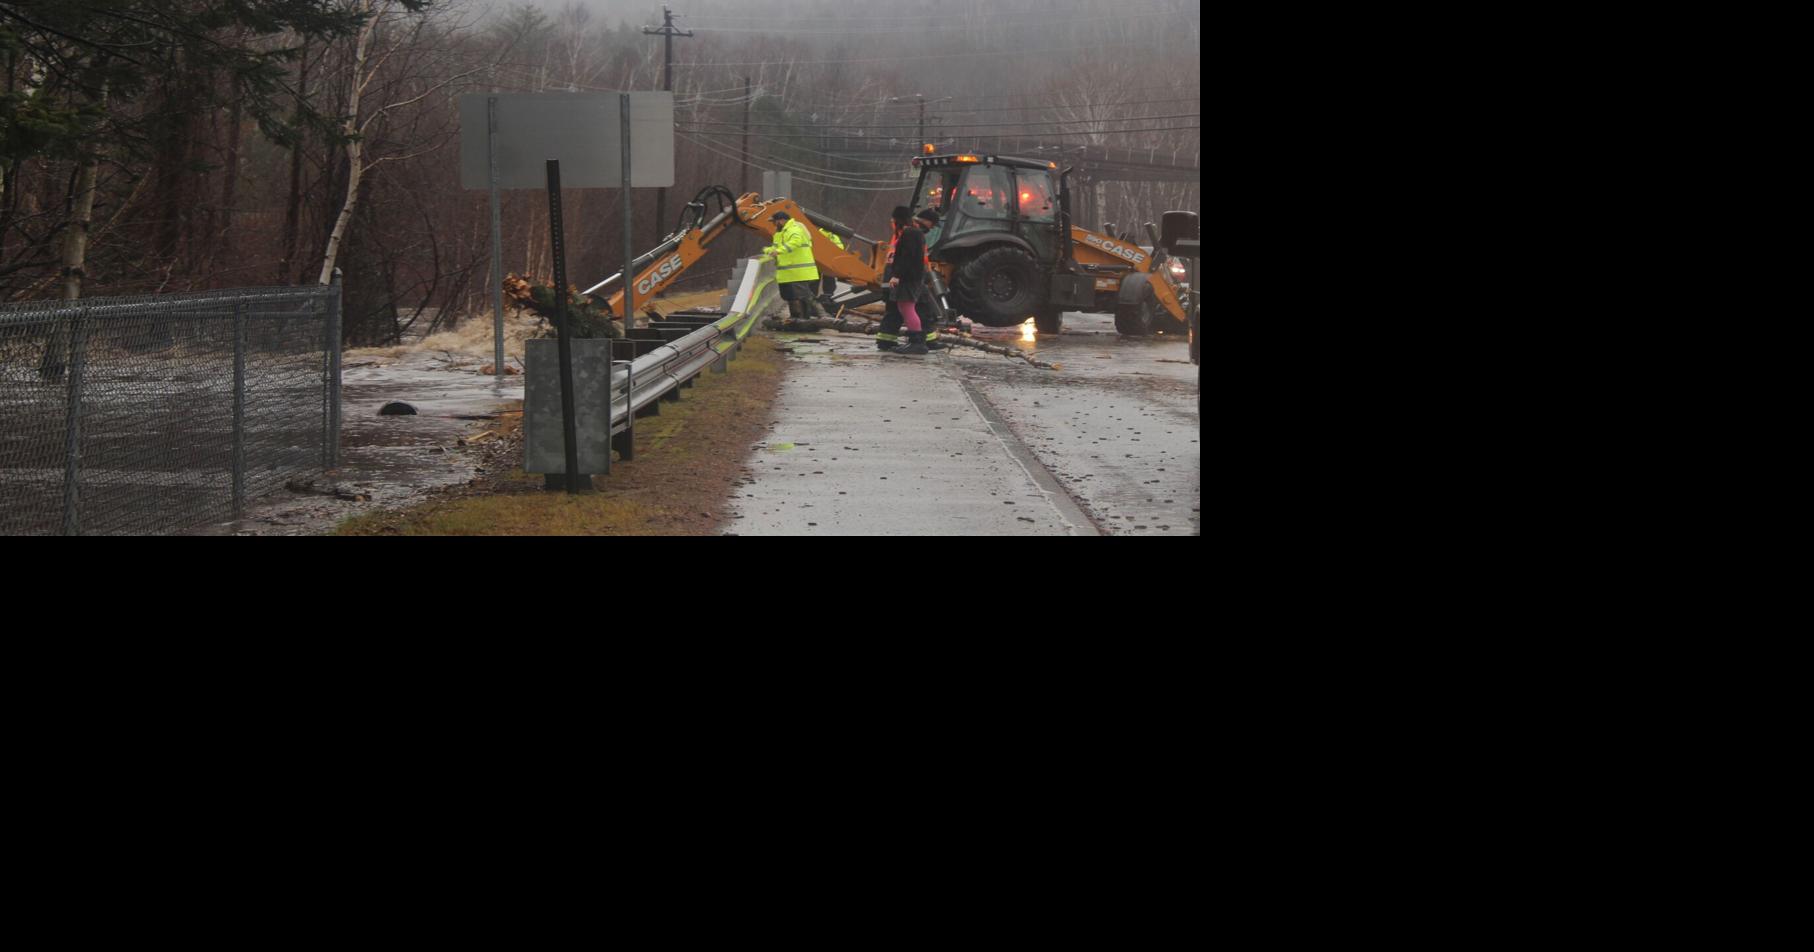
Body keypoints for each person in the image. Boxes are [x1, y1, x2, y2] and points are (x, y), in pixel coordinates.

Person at [758, 210, 821, 323]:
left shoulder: (794, 229)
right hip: (787, 271)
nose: (774, 224)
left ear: (781, 220)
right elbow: (776, 247)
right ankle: (795, 318)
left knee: (802, 296)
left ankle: (806, 318)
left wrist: (779, 251)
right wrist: (768, 250)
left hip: (798, 271)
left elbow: (795, 242)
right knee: (789, 295)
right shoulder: (779, 233)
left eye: (775, 221)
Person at [885, 205, 930, 356]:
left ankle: (917, 342)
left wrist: (897, 275)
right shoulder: (914, 233)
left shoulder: (909, 234)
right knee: (905, 307)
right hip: (913, 276)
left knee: (907, 307)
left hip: (909, 277)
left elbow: (906, 257)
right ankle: (915, 341)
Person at [816, 225, 846, 314]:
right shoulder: (828, 235)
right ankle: (827, 297)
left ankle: (815, 298)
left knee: (816, 282)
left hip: (820, 262)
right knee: (828, 281)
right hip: (826, 262)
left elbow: (839, 248)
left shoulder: (820, 233)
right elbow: (840, 248)